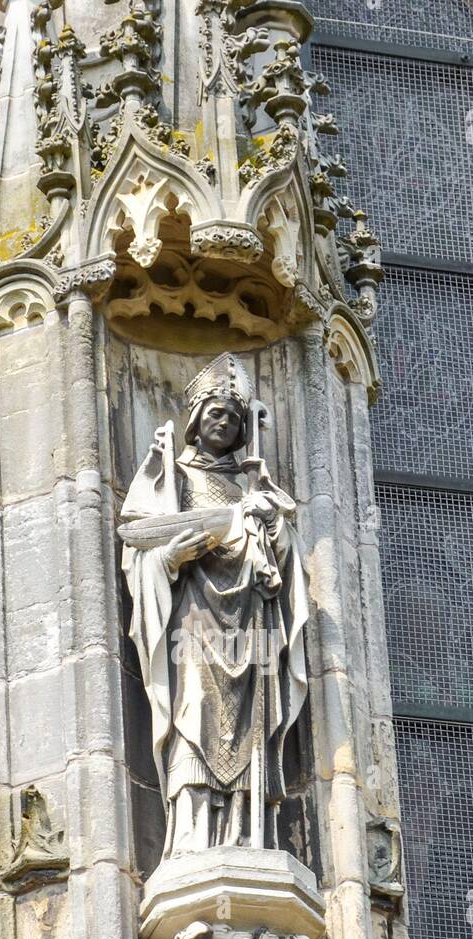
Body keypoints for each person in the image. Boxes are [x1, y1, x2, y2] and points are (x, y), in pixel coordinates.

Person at [121, 352, 309, 857]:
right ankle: (193, 838)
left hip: (251, 626)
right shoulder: (170, 476)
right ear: (195, 421)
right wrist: (172, 557)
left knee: (251, 725)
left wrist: (271, 526)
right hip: (194, 625)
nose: (224, 422)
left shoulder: (251, 483)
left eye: (233, 415)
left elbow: (284, 564)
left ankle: (248, 838)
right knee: (196, 713)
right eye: (215, 413)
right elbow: (139, 551)